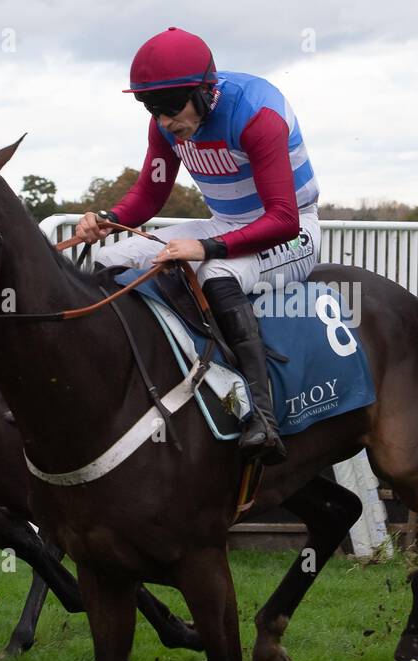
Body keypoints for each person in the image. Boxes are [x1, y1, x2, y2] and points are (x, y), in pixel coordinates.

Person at [72, 26, 321, 464]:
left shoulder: (256, 114)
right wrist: (108, 219)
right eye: (153, 110)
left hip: (294, 231)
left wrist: (206, 249)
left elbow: (282, 219)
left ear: (206, 93)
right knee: (109, 259)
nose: (165, 122)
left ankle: (262, 416)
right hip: (225, 223)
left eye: (170, 109)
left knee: (215, 273)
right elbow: (149, 196)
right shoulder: (166, 124)